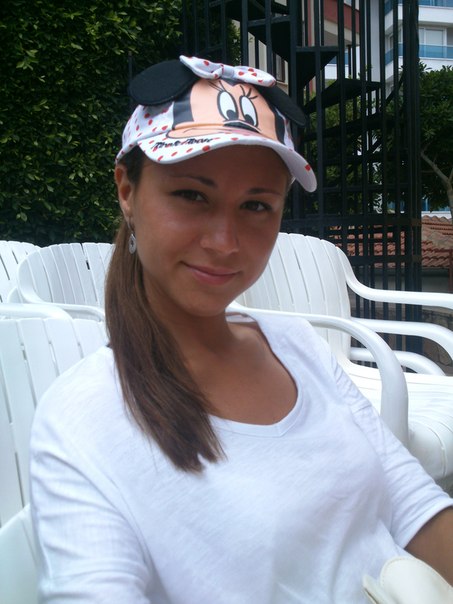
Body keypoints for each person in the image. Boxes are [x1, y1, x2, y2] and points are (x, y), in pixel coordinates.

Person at [30, 55, 453, 604]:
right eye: (191, 195)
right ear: (127, 191)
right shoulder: (81, 418)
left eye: (256, 205)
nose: (225, 242)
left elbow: (411, 503)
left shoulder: (298, 346)